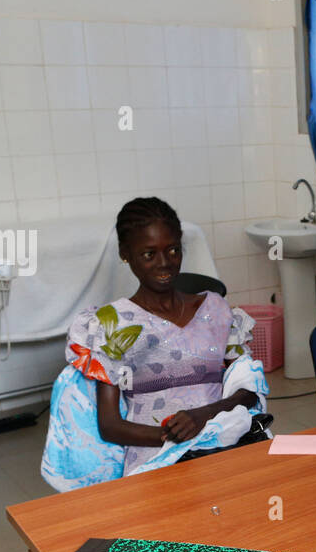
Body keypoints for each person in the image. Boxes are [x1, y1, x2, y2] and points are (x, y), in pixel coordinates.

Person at [65, 197, 261, 475]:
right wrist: (176, 438)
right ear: (125, 254)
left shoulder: (216, 310)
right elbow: (109, 426)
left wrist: (204, 418)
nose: (164, 264)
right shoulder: (111, 325)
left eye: (172, 250)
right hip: (157, 457)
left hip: (226, 441)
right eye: (149, 254)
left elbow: (249, 392)